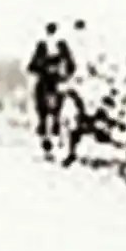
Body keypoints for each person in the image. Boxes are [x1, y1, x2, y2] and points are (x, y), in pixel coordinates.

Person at [27, 22, 76, 158]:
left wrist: (63, 74)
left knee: (57, 114)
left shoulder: (62, 46)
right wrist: (44, 67)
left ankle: (55, 144)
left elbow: (71, 65)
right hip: (46, 82)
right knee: (43, 113)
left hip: (56, 82)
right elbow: (31, 66)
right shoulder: (42, 46)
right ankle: (46, 144)